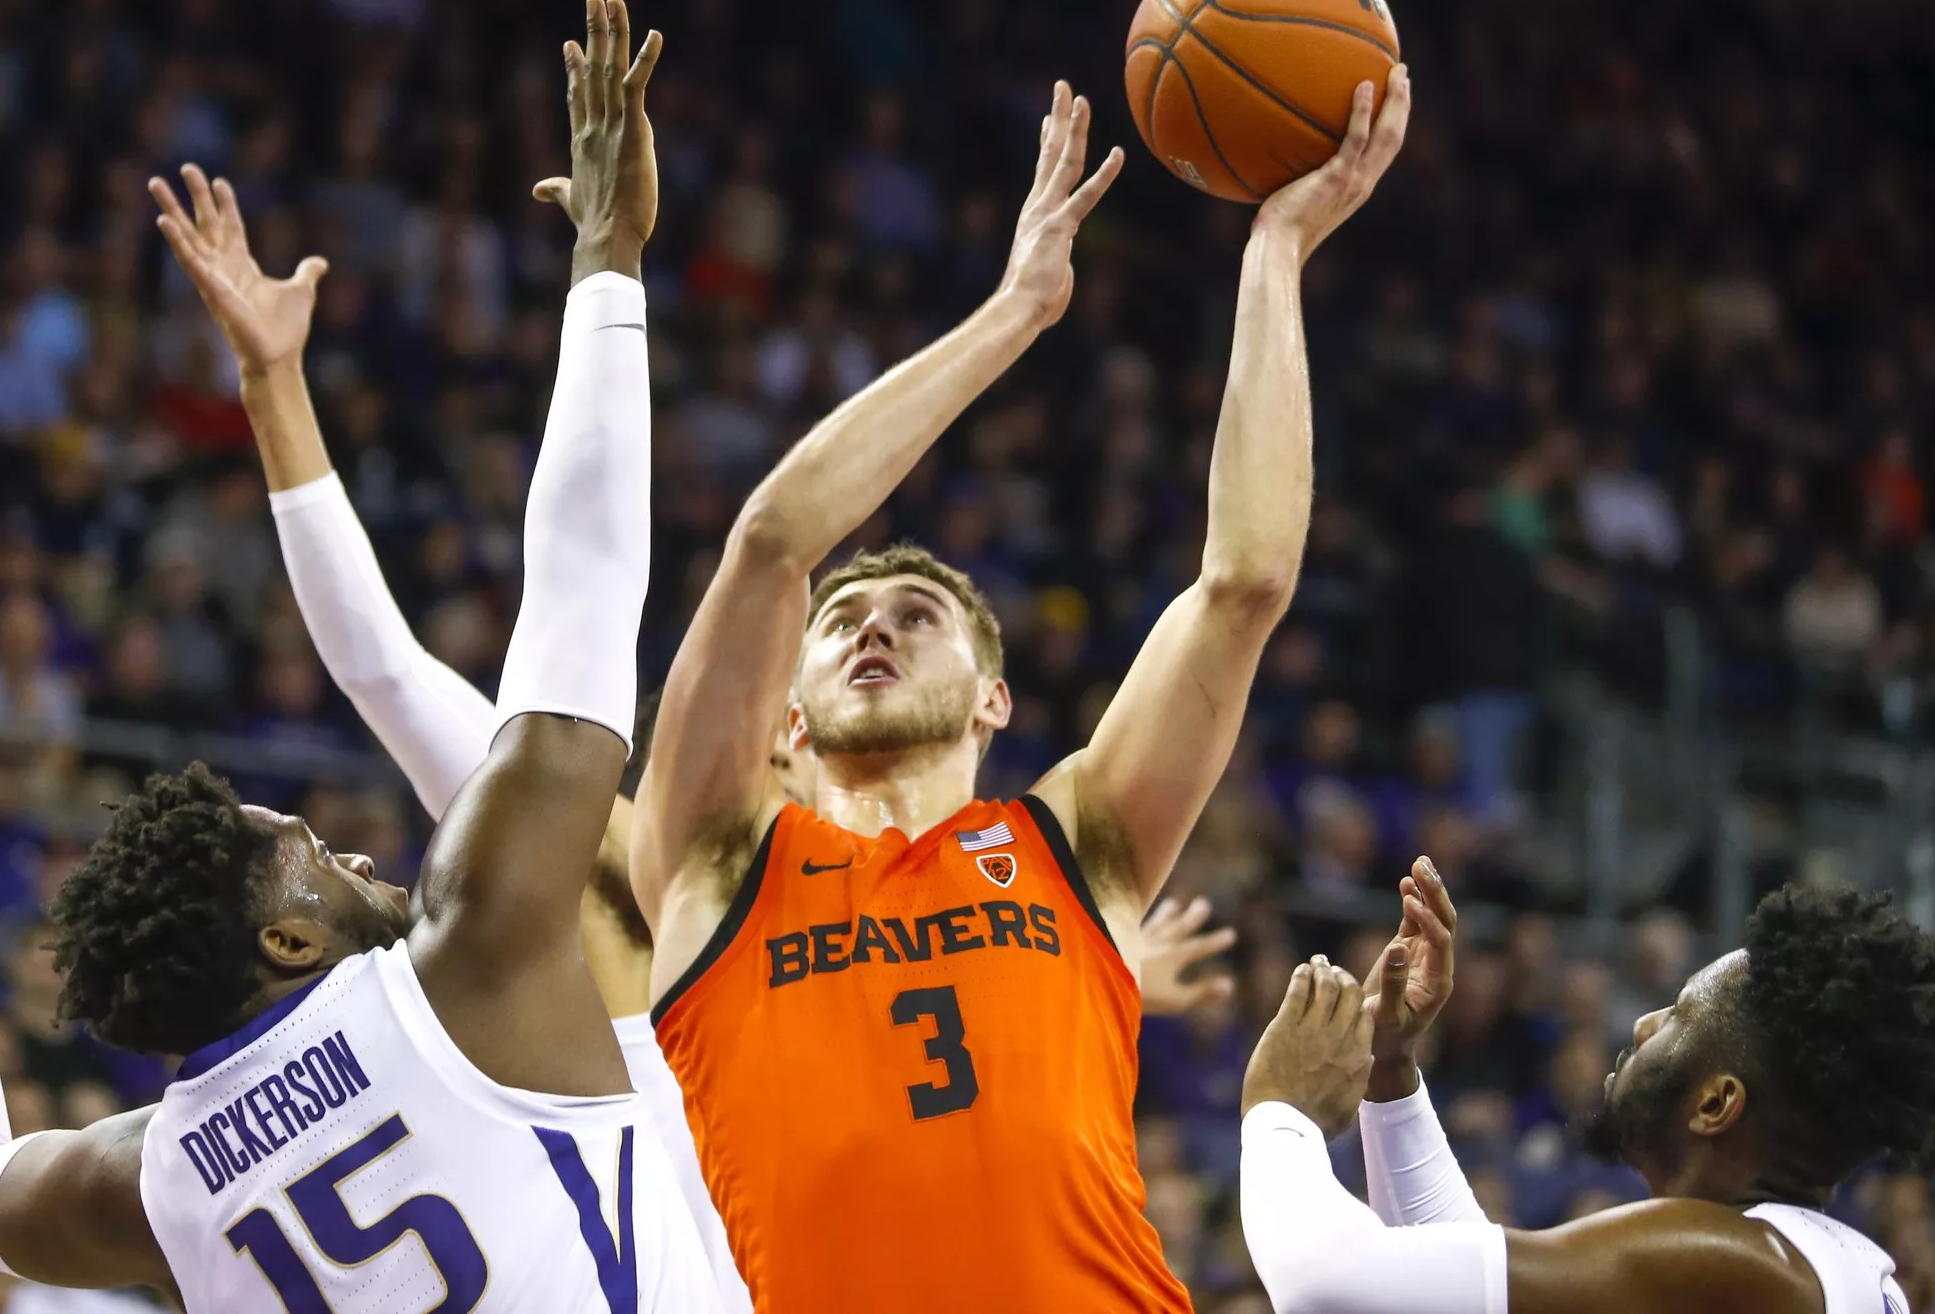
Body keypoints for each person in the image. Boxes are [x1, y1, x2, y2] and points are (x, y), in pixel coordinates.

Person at [205, 102, 1248, 1309]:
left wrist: (1093, 971)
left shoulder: (972, 884)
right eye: (822, 644)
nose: (863, 656)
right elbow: (385, 669)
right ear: (779, 715)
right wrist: (276, 386)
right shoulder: (627, 867)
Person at [0, 0, 721, 1311]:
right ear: (284, 938)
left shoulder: (155, 1185)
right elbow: (581, 579)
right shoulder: (467, 965)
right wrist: (609, 261)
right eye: (318, 858)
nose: (353, 853)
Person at [629, 69, 1412, 1313]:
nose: (872, 630)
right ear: (787, 710)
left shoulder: (1073, 842)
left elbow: (1243, 583)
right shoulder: (717, 864)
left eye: (916, 617)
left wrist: (1275, 252)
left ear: (992, 697)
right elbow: (773, 538)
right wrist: (1014, 312)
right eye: (841, 626)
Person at [1237, 859, 1933, 1313]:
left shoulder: (1736, 1262)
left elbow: (1330, 1282)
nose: (1641, 1022)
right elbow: (1464, 1286)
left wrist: (1278, 1106)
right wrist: (1390, 1071)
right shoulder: (1820, 1264)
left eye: (1680, 1013)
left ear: (1717, 1103)